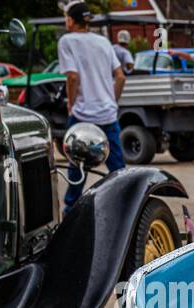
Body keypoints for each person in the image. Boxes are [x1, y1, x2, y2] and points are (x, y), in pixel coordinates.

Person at [58, 1, 125, 211]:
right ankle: (125, 205)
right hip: (108, 114)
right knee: (117, 166)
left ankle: (71, 209)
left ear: (71, 20)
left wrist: (71, 103)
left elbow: (72, 77)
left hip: (82, 114)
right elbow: (121, 77)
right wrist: (111, 101)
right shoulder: (103, 41)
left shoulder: (67, 40)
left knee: (77, 164)